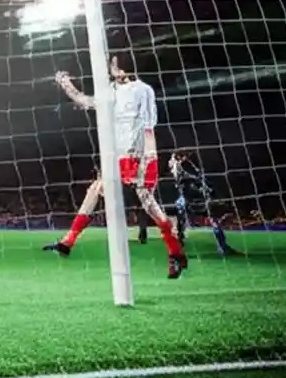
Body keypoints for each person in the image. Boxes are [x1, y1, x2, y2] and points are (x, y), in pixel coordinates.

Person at [44, 54, 188, 279]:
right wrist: (66, 85)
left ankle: (175, 253)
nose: (113, 67)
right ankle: (67, 242)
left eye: (115, 64)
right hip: (118, 156)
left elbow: (148, 127)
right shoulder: (110, 90)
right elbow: (86, 102)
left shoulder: (143, 90)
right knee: (95, 190)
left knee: (149, 204)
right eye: (112, 64)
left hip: (140, 155)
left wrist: (148, 158)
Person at [168, 150, 239, 256]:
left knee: (212, 220)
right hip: (189, 200)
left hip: (193, 200)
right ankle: (178, 249)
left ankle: (222, 247)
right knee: (181, 225)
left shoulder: (187, 169)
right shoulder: (179, 169)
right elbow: (186, 178)